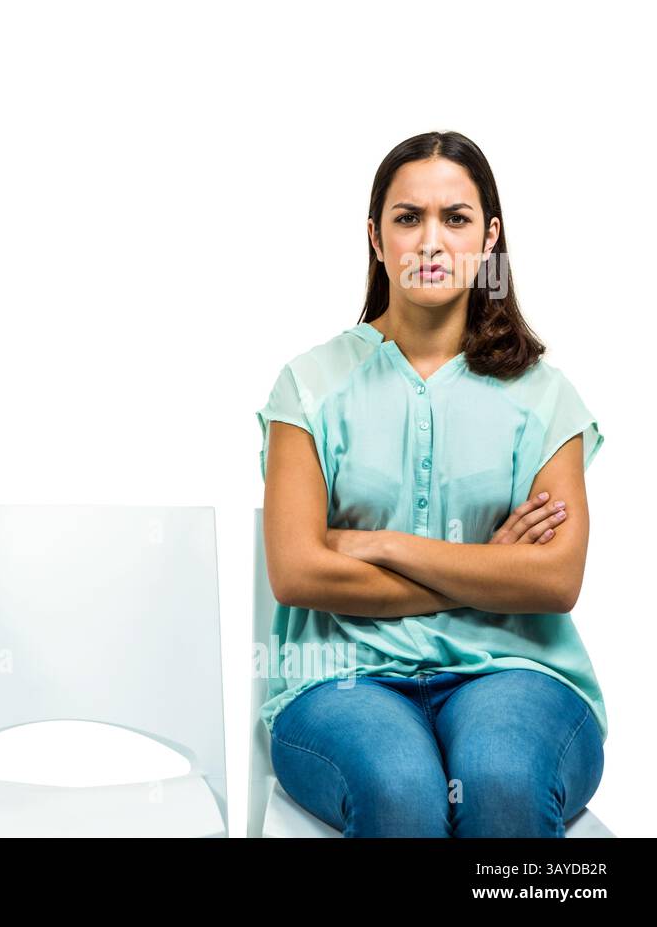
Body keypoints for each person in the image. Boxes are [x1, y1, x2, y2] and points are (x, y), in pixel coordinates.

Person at [256, 130, 605, 837]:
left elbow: (555, 582)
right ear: (376, 240)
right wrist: (491, 570)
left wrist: (375, 544)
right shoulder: (310, 386)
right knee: (401, 789)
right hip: (343, 680)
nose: (431, 241)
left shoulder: (544, 397)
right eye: (408, 218)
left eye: (457, 217)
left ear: (490, 235)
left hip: (518, 673)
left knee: (500, 782)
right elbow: (296, 572)